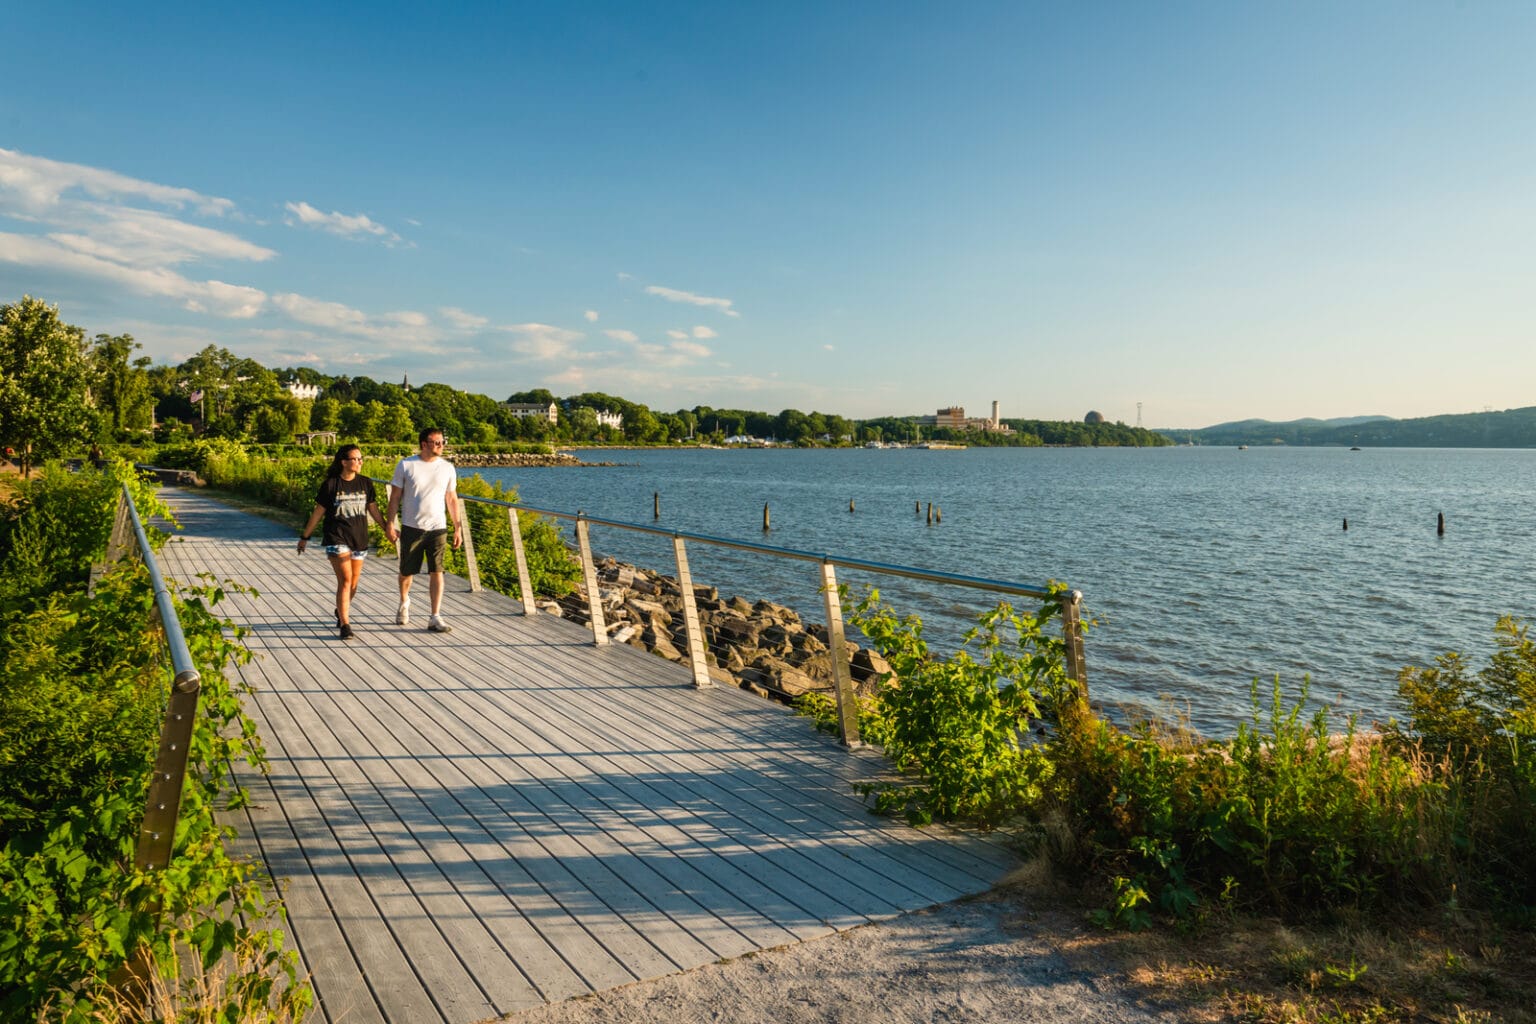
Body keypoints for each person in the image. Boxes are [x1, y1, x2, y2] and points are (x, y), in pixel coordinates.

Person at [297, 445, 393, 640]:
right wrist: (305, 537)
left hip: (359, 538)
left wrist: (387, 529)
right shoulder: (331, 485)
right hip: (336, 537)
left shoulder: (365, 483)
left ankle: (340, 611)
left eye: (361, 458)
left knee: (354, 584)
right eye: (355, 459)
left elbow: (373, 510)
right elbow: (318, 512)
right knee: (346, 580)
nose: (360, 462)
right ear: (344, 462)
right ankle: (345, 624)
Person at [387, 427, 462, 633]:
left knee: (437, 571)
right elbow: (395, 497)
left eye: (442, 442)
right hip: (412, 527)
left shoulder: (447, 468)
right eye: (436, 442)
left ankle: (435, 616)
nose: (441, 446)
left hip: (438, 528)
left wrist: (457, 528)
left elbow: (452, 499)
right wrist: (390, 524)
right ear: (424, 444)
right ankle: (404, 602)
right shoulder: (406, 465)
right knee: (406, 572)